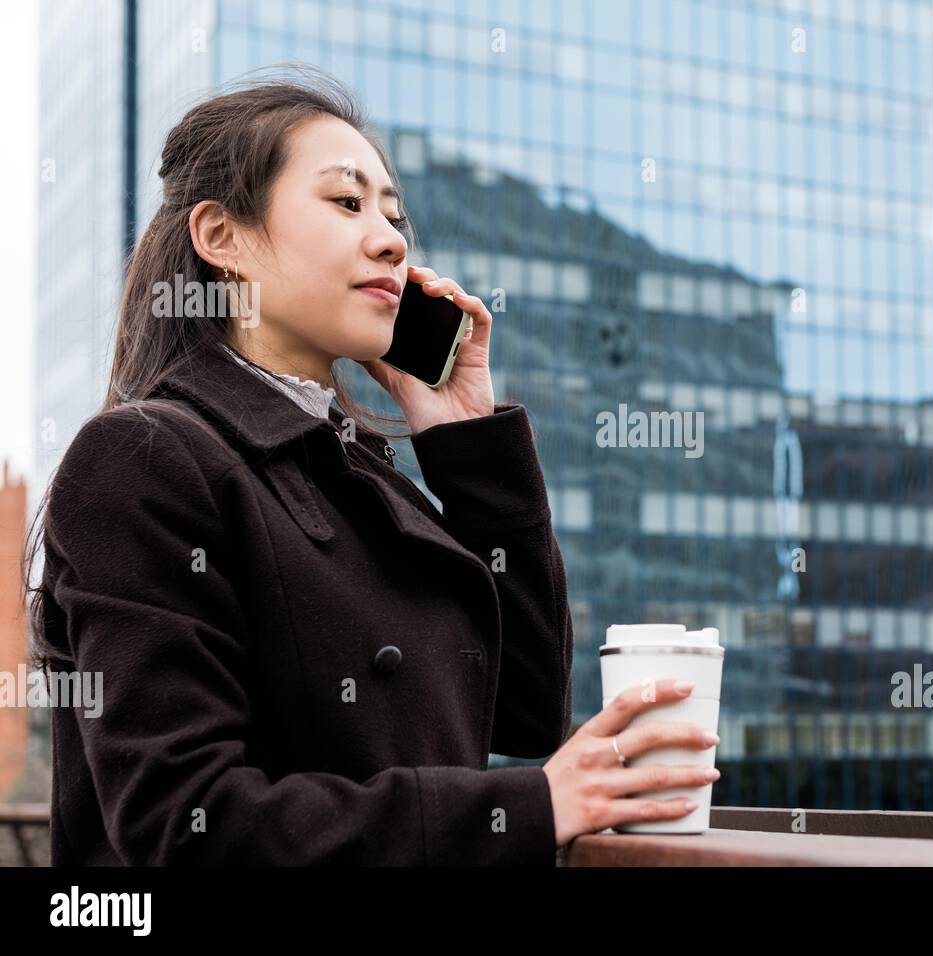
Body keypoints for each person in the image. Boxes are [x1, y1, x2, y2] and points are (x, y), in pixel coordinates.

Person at [23, 65, 719, 866]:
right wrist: (530, 807)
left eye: (394, 215)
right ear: (222, 238)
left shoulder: (365, 474)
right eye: (347, 203)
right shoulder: (145, 460)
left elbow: (526, 711)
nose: (391, 238)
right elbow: (186, 823)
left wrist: (467, 441)